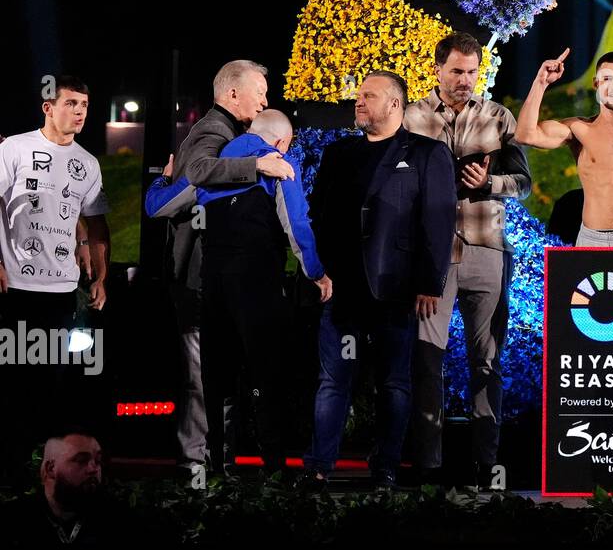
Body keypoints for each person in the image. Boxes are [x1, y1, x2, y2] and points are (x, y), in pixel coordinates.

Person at [149, 110, 332, 476]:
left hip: (214, 288)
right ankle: (274, 468)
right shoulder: (278, 166)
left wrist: (164, 178)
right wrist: (317, 273)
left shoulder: (213, 169)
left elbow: (158, 207)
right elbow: (296, 226)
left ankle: (216, 466)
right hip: (259, 286)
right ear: (280, 142)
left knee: (216, 376)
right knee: (266, 375)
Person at [299, 71, 456, 491]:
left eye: (369, 95)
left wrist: (430, 282)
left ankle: (385, 467)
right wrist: (319, 270)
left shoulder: (426, 153)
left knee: (394, 383)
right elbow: (319, 217)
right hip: (342, 290)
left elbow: (438, 221)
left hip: (397, 290)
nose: (359, 101)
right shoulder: (339, 154)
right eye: (359, 95)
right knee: (333, 380)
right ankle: (318, 465)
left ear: (395, 105)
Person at [151, 59, 294, 481]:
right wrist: (259, 166)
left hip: (219, 274)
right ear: (232, 94)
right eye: (260, 92)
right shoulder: (213, 130)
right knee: (208, 377)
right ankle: (205, 465)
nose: (266, 100)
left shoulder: (234, 134)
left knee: (224, 374)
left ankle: (222, 464)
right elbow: (194, 175)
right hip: (204, 275)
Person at [403, 32, 531, 488]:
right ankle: (428, 466)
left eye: (473, 72)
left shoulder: (498, 117)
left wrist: (490, 182)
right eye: (457, 71)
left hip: (486, 251)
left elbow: (524, 182)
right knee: (426, 361)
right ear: (437, 68)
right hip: (431, 259)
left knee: (488, 361)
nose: (465, 80)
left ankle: (485, 465)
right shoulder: (411, 116)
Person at [0, 77, 111, 482]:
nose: (80, 111)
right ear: (48, 107)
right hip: (14, 290)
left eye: (84, 104)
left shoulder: (88, 163)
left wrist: (100, 277)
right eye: (71, 103)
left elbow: (97, 224)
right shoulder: (14, 147)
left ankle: (40, 472)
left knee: (53, 385)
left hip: (61, 293)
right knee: (13, 380)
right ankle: (10, 471)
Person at [515, 49, 613, 248]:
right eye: (607, 78)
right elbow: (525, 135)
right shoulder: (578, 129)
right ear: (596, 84)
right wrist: (541, 83)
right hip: (591, 239)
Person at [0, 430, 117, 547]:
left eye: (98, 461)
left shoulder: (117, 520)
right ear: (50, 469)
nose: (94, 469)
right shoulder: (11, 520)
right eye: (81, 460)